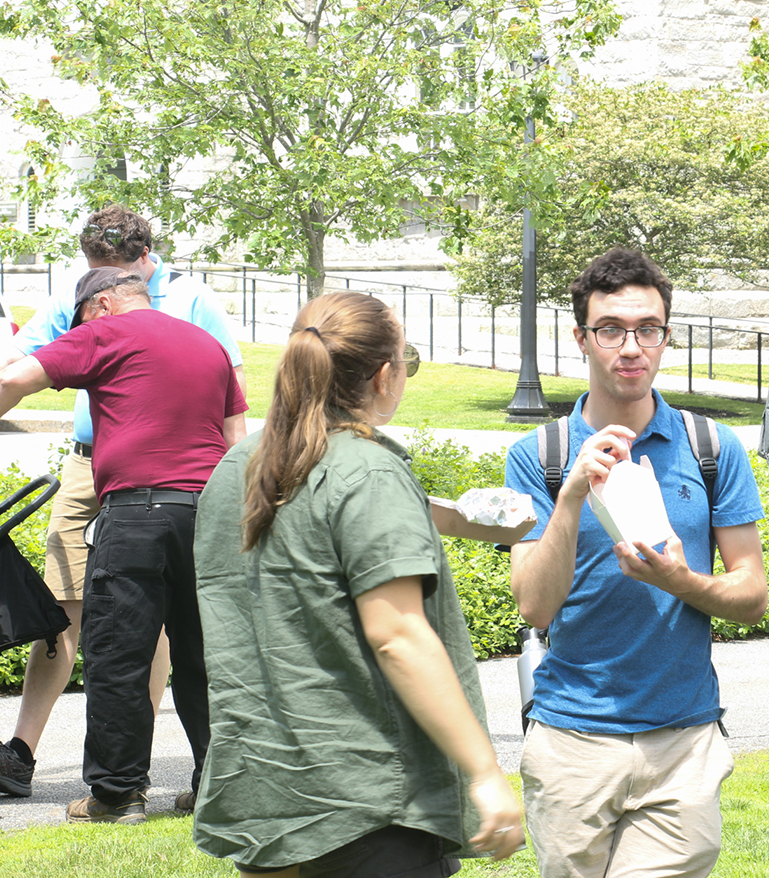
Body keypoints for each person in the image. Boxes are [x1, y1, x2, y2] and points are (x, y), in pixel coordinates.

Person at [0, 203, 244, 799]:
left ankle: (122, 786)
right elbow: (235, 433)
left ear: (133, 272)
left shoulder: (181, 305)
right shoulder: (155, 323)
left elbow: (13, 380)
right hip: (136, 479)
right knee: (103, 617)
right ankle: (201, 783)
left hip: (144, 492)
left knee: (126, 640)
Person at [191, 291, 522, 876]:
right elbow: (397, 635)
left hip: (263, 792)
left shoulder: (236, 467)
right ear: (384, 375)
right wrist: (485, 772)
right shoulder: (368, 472)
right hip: (367, 801)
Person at [503, 248, 767, 878]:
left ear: (666, 337)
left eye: (648, 329)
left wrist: (681, 580)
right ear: (581, 338)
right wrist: (572, 494)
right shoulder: (539, 455)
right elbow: (534, 606)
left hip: (683, 740)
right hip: (571, 737)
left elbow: (752, 596)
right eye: (611, 330)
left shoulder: (711, 447)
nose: (631, 348)